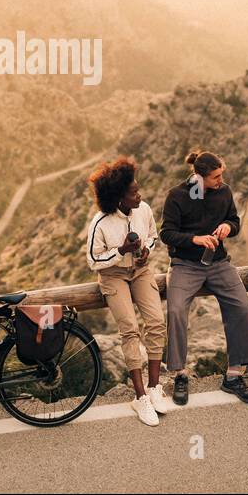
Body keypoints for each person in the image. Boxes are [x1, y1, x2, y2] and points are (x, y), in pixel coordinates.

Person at [160, 149, 248, 406]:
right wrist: (194, 238)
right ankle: (180, 375)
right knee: (175, 311)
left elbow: (235, 221)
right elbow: (167, 234)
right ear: (199, 176)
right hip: (184, 264)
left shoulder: (224, 192)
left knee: (242, 308)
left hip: (218, 263)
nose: (220, 180)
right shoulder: (177, 196)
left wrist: (229, 226)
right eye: (215, 177)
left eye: (221, 175)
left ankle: (234, 375)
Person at [87, 156, 172, 426]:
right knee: (130, 330)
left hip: (140, 271)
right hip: (112, 276)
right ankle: (139, 397)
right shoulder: (100, 223)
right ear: (119, 198)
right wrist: (120, 251)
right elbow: (93, 260)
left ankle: (154, 387)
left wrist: (145, 250)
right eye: (134, 192)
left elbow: (153, 236)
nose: (140, 195)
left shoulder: (143, 210)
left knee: (157, 322)